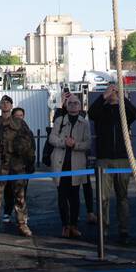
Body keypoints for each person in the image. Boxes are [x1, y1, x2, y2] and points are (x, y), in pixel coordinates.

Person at [88, 84, 136, 244]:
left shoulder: (124, 112)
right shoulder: (101, 111)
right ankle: (103, 229)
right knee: (103, 197)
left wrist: (121, 97)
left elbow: (135, 114)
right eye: (111, 91)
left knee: (122, 197)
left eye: (115, 91)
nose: (113, 93)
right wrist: (104, 96)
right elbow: (91, 113)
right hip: (104, 158)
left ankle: (124, 230)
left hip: (122, 158)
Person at [0, 96, 35, 238]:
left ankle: (22, 224)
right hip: (0, 163)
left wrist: (29, 160)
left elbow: (29, 141)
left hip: (17, 163)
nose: (5, 105)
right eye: (2, 103)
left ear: (11, 106)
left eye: (8, 103)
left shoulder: (19, 123)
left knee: (20, 196)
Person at [49, 93, 92, 238]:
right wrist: (63, 142)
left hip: (77, 164)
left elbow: (88, 143)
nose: (73, 105)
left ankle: (73, 225)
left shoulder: (85, 123)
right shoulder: (59, 120)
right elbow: (52, 138)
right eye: (70, 103)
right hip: (60, 164)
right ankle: (65, 226)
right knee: (62, 197)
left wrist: (75, 144)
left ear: (80, 106)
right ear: (66, 106)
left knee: (75, 197)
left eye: (76, 103)